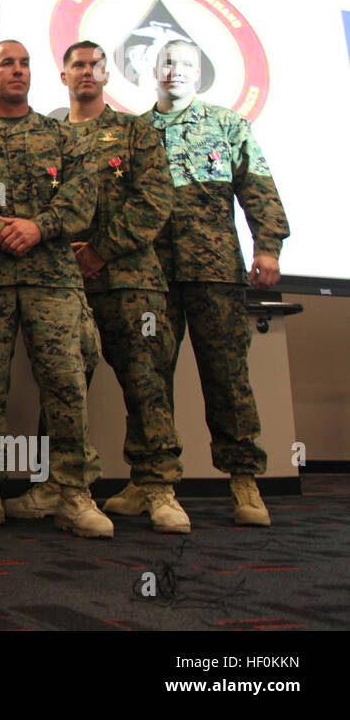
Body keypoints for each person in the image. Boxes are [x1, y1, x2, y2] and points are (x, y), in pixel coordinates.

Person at [4, 41, 190, 533]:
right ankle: (56, 485)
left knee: (147, 381)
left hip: (129, 281)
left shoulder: (136, 132)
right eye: (77, 66)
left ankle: (157, 486)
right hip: (63, 283)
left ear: (107, 75)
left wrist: (100, 251)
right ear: (63, 76)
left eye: (95, 65)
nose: (87, 72)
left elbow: (155, 201)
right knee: (62, 386)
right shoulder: (47, 135)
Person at [133, 39, 289, 526]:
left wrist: (268, 246)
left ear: (198, 74)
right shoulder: (133, 134)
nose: (174, 71)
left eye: (184, 64)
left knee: (227, 378)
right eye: (166, 63)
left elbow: (259, 189)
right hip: (151, 277)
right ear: (150, 71)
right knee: (149, 379)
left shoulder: (227, 125)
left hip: (215, 273)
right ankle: (153, 482)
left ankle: (244, 480)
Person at [0, 40, 112, 538]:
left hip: (52, 277)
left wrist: (38, 226)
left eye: (25, 63)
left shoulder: (61, 137)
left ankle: (73, 492)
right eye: (7, 63)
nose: (18, 71)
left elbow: (82, 200)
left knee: (66, 386)